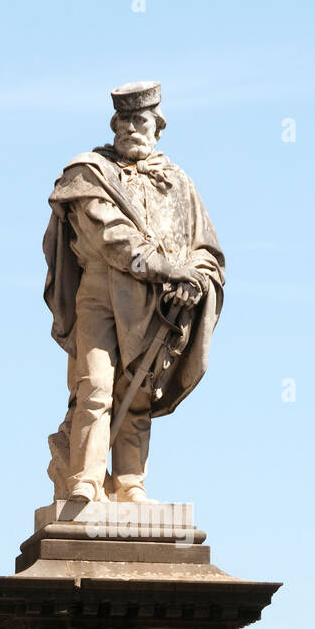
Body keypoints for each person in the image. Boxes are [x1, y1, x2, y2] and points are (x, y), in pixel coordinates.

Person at [44, 80, 225, 504]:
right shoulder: (89, 173)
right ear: (114, 124)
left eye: (139, 120)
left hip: (152, 302)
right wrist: (168, 269)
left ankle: (129, 483)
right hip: (101, 292)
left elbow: (206, 250)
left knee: (139, 390)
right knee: (96, 384)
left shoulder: (177, 183)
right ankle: (85, 480)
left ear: (157, 126)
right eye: (123, 120)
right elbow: (112, 237)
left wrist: (193, 279)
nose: (131, 128)